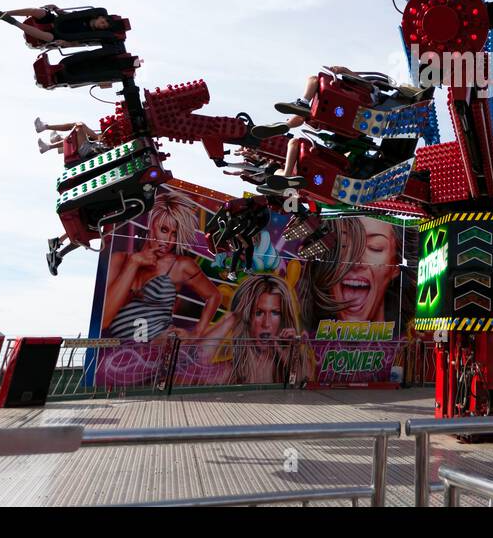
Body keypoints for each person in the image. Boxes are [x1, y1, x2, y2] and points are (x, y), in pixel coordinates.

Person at [102, 191, 224, 340]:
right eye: (164, 230)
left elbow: (214, 295)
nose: (169, 241)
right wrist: (133, 263)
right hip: (119, 350)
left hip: (160, 348)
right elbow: (104, 320)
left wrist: (196, 334)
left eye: (175, 234)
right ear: (150, 224)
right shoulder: (119, 260)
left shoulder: (180, 266)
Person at [198, 274, 311, 386]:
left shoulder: (294, 364)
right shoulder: (229, 371)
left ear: (283, 318)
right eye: (258, 313)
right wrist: (232, 319)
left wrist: (290, 357)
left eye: (275, 313)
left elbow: (302, 385)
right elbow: (195, 367)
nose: (266, 324)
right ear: (245, 318)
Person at [300, 216, 406, 329]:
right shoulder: (302, 333)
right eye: (343, 245)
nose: (355, 262)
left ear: (396, 266)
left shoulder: (408, 335)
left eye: (375, 247)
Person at [0, 5, 120, 47]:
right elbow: (66, 14)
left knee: (48, 37)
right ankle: (2, 13)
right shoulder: (86, 15)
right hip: (57, 21)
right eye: (103, 22)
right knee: (37, 11)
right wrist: (55, 7)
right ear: (100, 17)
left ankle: (13, 22)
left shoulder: (92, 34)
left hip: (60, 35)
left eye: (104, 27)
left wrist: (66, 43)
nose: (102, 25)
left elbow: (78, 43)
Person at [35, 117, 105, 159]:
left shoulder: (108, 144)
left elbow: (98, 138)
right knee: (79, 131)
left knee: (80, 125)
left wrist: (97, 136)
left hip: (89, 150)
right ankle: (49, 146)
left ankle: (46, 128)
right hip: (90, 148)